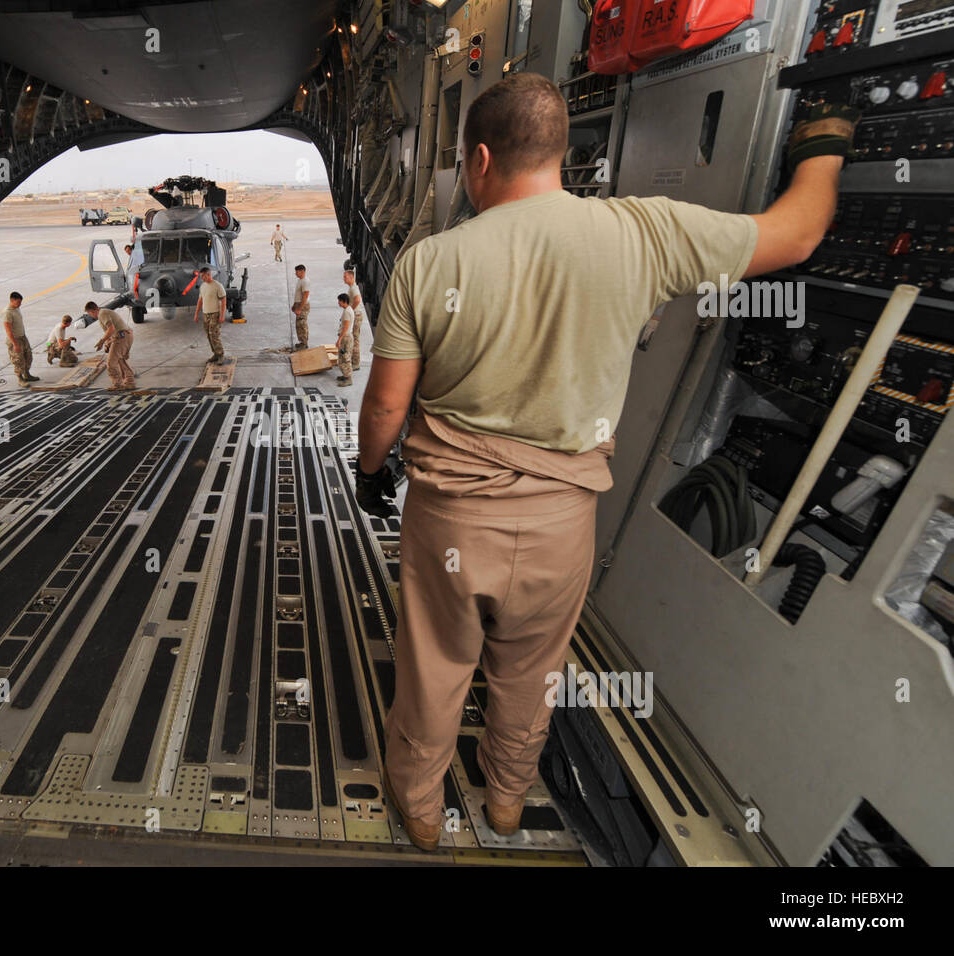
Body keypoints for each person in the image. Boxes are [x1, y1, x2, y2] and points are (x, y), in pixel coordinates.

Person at [355, 71, 856, 851]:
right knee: (528, 674)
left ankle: (420, 806)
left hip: (451, 516)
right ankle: (508, 803)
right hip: (561, 522)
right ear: (560, 151)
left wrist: (368, 469)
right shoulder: (643, 232)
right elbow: (795, 235)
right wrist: (823, 146)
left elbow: (386, 406)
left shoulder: (430, 263)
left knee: (435, 666)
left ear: (480, 159)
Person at [85, 300, 135, 389]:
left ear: (92, 311)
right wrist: (108, 342)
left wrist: (101, 341)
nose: (90, 316)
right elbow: (112, 331)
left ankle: (117, 384)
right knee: (120, 360)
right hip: (125, 335)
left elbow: (111, 329)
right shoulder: (104, 312)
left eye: (89, 314)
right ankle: (129, 381)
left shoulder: (102, 314)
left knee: (111, 363)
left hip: (121, 337)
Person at [194, 266, 230, 365]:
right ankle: (215, 354)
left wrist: (222, 315)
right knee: (208, 335)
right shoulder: (203, 286)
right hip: (206, 314)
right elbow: (200, 300)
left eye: (203, 276)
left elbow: (223, 301)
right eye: (201, 276)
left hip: (215, 313)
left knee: (214, 334)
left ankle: (221, 355)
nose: (202, 278)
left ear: (208, 274)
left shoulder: (217, 286)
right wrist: (196, 314)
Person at [3, 291, 38, 384]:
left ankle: (27, 374)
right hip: (15, 339)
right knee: (18, 359)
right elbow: (8, 330)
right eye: (18, 302)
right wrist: (15, 344)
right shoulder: (7, 312)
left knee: (28, 356)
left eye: (20, 302)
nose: (20, 304)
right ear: (12, 300)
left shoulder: (16, 308)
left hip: (22, 336)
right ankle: (20, 378)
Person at [343, 267, 366, 371]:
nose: (344, 278)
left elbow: (357, 299)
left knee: (355, 339)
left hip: (356, 315)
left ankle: (355, 363)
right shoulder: (351, 287)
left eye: (345, 277)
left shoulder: (354, 288)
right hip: (355, 314)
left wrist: (350, 310)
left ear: (351, 277)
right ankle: (353, 360)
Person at [335, 293, 354, 387]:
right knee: (343, 357)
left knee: (345, 358)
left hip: (345, 338)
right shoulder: (349, 309)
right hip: (347, 336)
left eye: (339, 301)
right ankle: (345, 376)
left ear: (344, 301)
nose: (338, 303)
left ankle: (348, 378)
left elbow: (345, 327)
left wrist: (339, 339)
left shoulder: (347, 312)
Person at [290, 264, 310, 351]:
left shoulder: (305, 281)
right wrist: (295, 305)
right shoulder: (300, 280)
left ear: (302, 271)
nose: (295, 273)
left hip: (303, 305)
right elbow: (298, 295)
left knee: (302, 324)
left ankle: (304, 343)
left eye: (297, 271)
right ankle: (301, 342)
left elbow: (305, 296)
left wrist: (300, 308)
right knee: (298, 325)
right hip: (299, 304)